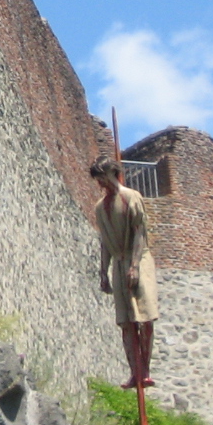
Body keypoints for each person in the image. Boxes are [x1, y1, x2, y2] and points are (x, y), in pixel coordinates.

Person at [91, 155, 160, 390]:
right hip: (119, 263)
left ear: (112, 174)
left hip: (138, 260)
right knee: (126, 322)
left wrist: (135, 266)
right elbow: (104, 241)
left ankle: (146, 368)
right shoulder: (100, 207)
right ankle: (135, 371)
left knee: (146, 317)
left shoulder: (131, 197)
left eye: (102, 177)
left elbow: (140, 232)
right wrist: (103, 271)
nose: (100, 183)